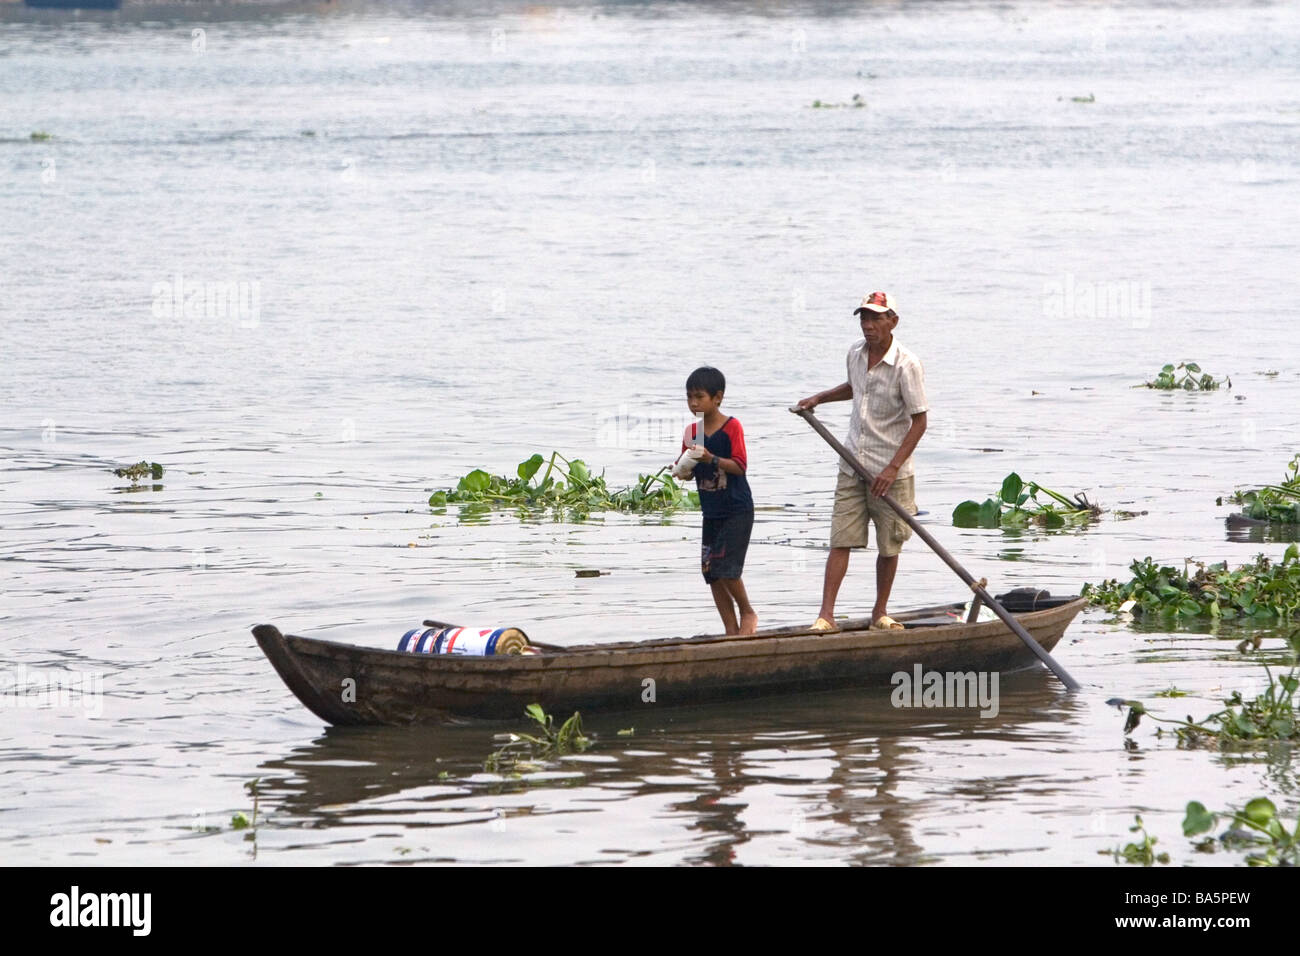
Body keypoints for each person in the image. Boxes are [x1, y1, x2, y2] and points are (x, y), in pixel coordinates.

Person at [796, 291, 928, 631]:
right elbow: (857, 388)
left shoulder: (906, 364)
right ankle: (826, 616)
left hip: (890, 472)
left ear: (892, 322)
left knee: (889, 544)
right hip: (853, 463)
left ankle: (879, 613)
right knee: (841, 538)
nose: (868, 326)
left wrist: (891, 468)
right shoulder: (855, 354)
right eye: (863, 319)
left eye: (875, 319)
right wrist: (820, 398)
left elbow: (919, 422)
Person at [673, 367, 757, 635]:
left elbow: (740, 466)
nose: (693, 403)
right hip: (711, 511)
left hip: (736, 508)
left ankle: (748, 613)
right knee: (710, 571)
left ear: (717, 397)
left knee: (727, 568)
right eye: (689, 397)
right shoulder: (692, 432)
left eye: (699, 397)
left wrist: (712, 459)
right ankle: (730, 629)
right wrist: (683, 471)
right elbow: (687, 469)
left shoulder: (732, 426)